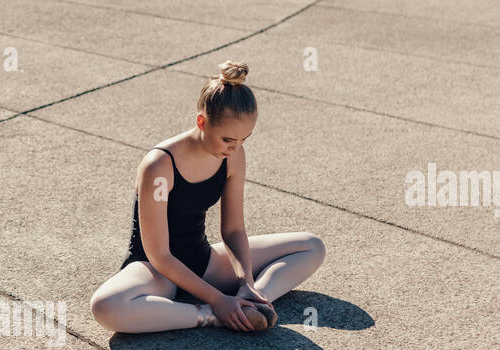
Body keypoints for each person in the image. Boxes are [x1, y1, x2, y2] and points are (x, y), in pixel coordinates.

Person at [89, 60, 326, 333]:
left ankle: (251, 304)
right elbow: (160, 256)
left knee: (312, 247)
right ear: (201, 121)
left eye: (243, 140)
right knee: (106, 305)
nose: (234, 148)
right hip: (155, 271)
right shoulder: (159, 166)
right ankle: (211, 316)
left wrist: (246, 282)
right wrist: (216, 302)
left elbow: (234, 229)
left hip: (204, 261)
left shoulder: (233, 157)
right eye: (227, 140)